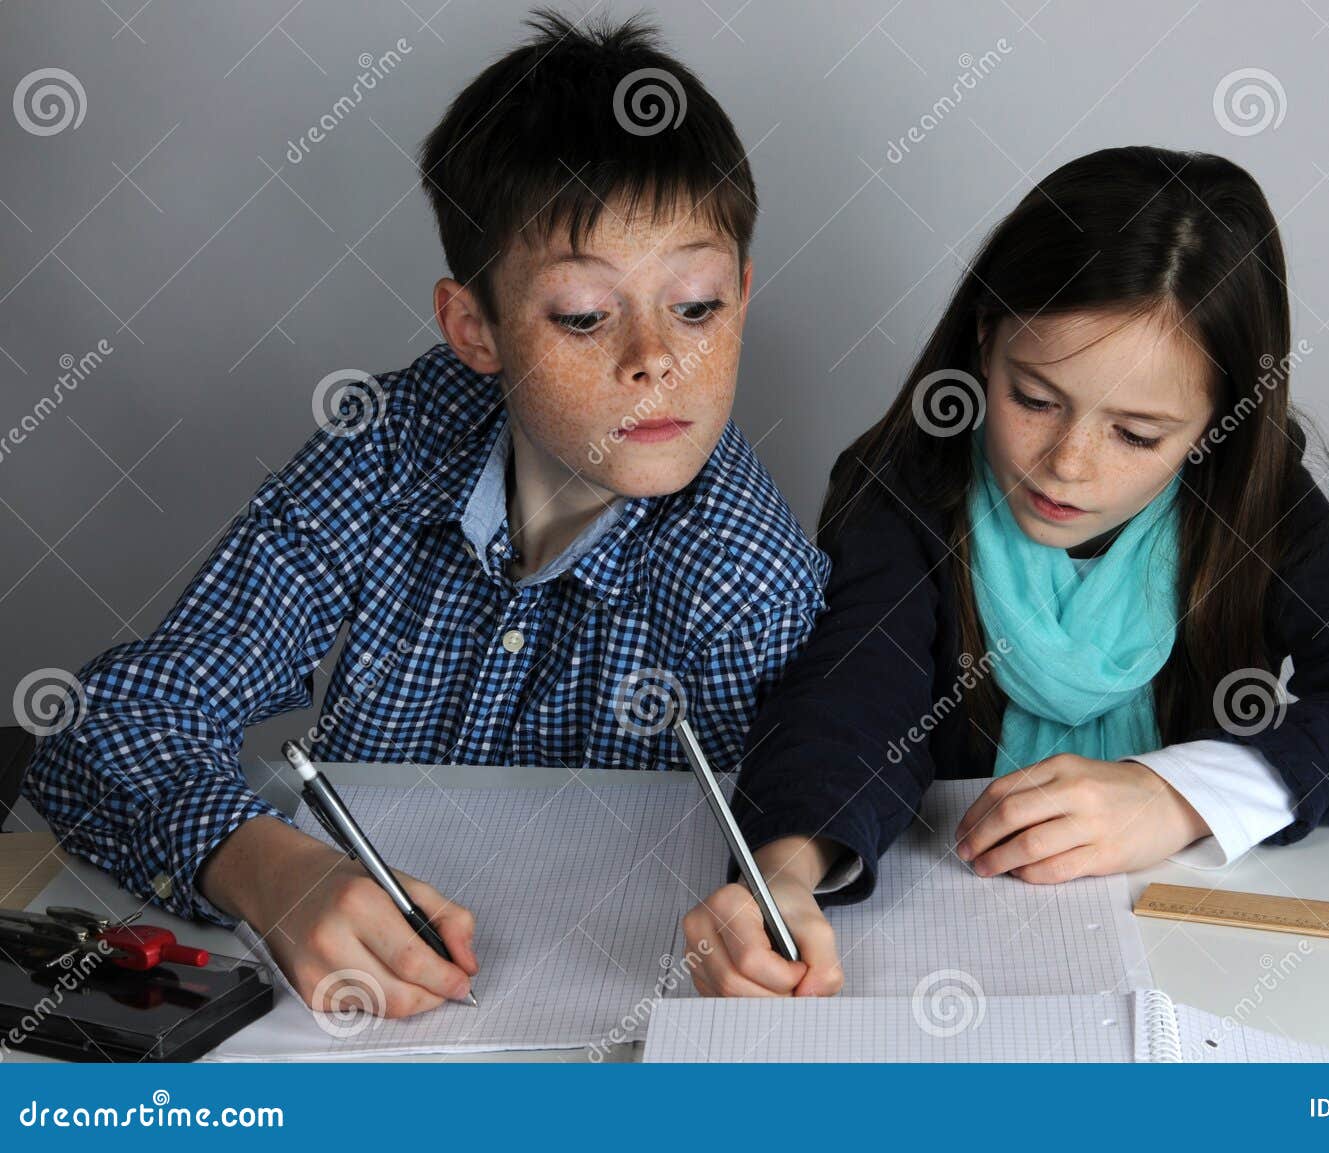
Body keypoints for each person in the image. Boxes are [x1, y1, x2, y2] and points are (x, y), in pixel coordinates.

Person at [26, 10, 829, 1019]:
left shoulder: (744, 576)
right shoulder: (390, 438)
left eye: (698, 306)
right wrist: (262, 867)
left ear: (743, 297)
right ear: (473, 328)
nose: (655, 357)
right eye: (584, 315)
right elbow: (112, 719)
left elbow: (771, 873)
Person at [681, 145, 1329, 998]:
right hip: (959, 960)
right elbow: (852, 698)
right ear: (987, 342)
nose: (1066, 464)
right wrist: (788, 871)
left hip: (1202, 964)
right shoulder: (903, 489)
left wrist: (1172, 796)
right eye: (1034, 398)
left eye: (1137, 435)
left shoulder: (1251, 501)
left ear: (1220, 421)